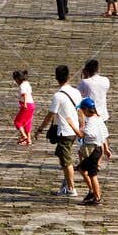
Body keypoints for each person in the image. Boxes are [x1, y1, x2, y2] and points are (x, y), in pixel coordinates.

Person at [37, 65, 82, 198]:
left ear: (56, 78)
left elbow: (50, 115)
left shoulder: (58, 96)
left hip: (65, 131)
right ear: (69, 76)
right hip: (74, 130)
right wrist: (81, 127)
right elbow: (80, 112)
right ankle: (65, 186)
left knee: (66, 161)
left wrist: (40, 129)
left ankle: (71, 188)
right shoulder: (76, 92)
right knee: (62, 157)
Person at [76, 97, 111, 205]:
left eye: (82, 109)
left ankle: (97, 197)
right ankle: (93, 193)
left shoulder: (91, 121)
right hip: (98, 149)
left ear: (86, 110)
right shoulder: (98, 119)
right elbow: (104, 135)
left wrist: (75, 127)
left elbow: (89, 133)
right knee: (82, 168)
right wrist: (106, 148)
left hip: (93, 150)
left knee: (93, 174)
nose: (81, 111)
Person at [78, 58, 110, 125]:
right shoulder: (106, 80)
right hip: (103, 116)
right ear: (97, 69)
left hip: (89, 117)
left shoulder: (84, 82)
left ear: (86, 69)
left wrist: (85, 77)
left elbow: (78, 95)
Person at [12, 69, 34, 145]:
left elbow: (24, 94)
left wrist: (24, 104)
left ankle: (24, 136)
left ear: (18, 79)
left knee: (17, 122)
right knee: (27, 122)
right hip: (31, 105)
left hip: (26, 105)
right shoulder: (27, 83)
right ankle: (29, 139)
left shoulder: (22, 85)